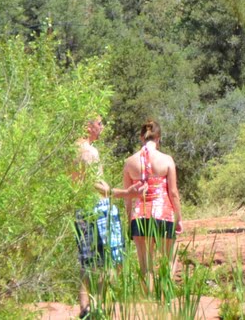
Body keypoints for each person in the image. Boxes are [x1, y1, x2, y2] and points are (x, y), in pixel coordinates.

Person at [72, 115, 124, 318]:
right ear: (89, 127)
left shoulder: (72, 149)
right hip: (97, 208)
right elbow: (96, 184)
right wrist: (123, 193)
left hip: (81, 209)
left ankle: (85, 309)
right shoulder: (88, 150)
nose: (102, 127)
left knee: (87, 262)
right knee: (108, 261)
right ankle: (98, 307)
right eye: (100, 124)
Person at [123, 119, 181, 291]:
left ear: (141, 137)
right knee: (169, 259)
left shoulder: (129, 162)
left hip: (139, 216)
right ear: (158, 138)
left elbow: (128, 197)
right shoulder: (166, 160)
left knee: (146, 267)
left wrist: (129, 221)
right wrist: (178, 218)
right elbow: (173, 193)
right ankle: (166, 301)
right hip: (163, 214)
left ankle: (149, 307)